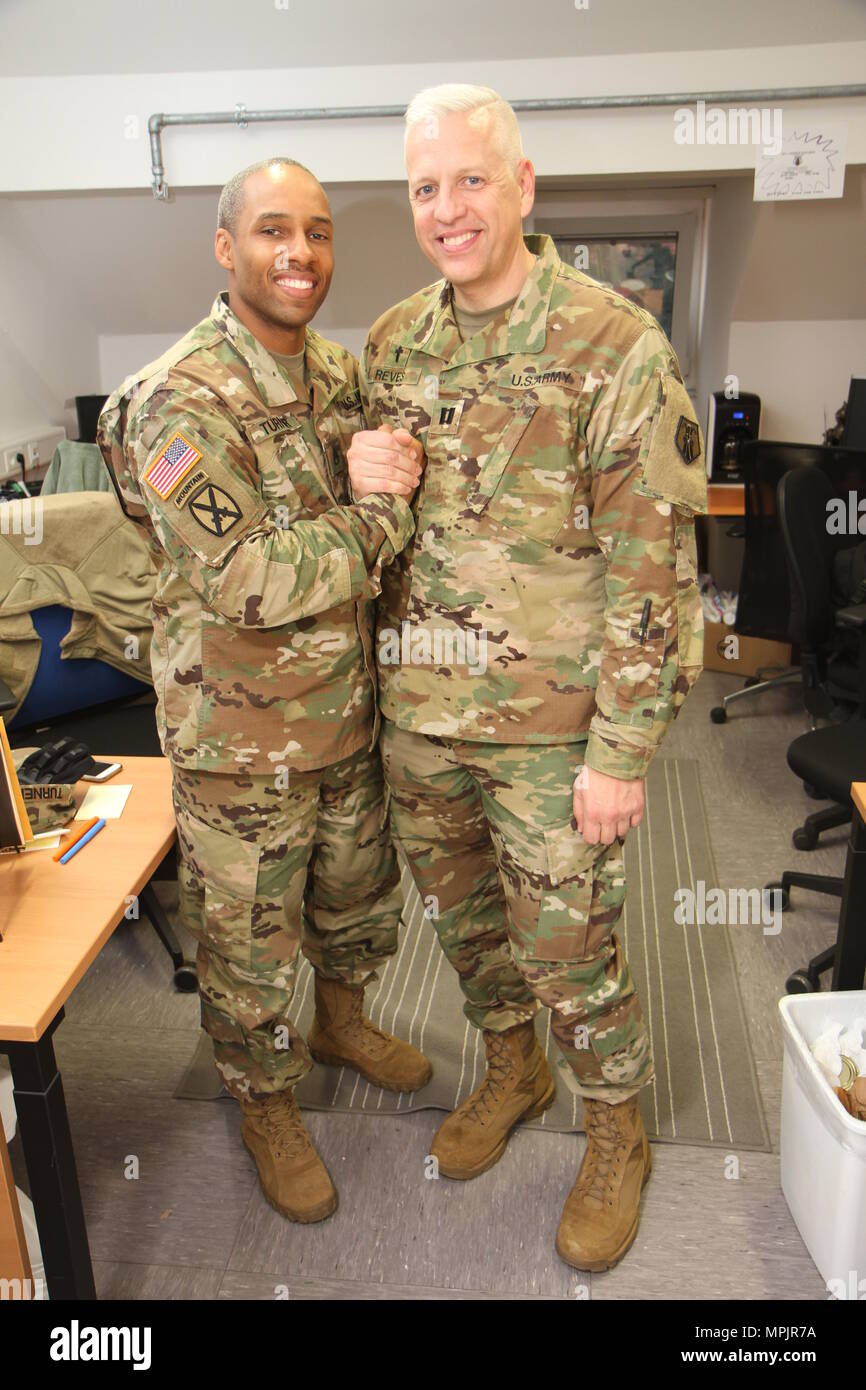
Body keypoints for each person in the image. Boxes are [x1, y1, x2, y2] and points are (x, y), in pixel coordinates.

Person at [349, 84, 707, 1271]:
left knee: (569, 948)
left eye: (468, 180)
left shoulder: (614, 343)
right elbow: (380, 528)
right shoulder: (394, 341)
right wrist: (360, 471)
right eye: (422, 187)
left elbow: (653, 570)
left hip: (555, 734)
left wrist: (620, 752)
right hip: (420, 715)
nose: (445, 209)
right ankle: (513, 1063)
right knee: (462, 930)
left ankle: (616, 1125)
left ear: (522, 187)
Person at [98, 157, 431, 1225]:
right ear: (225, 247)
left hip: (343, 713)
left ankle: (342, 1019)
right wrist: (380, 521)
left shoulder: (334, 376)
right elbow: (247, 578)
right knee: (247, 941)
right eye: (274, 231)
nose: (300, 254)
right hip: (237, 740)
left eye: (320, 233)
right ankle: (265, 1102)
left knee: (350, 897)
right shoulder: (176, 403)